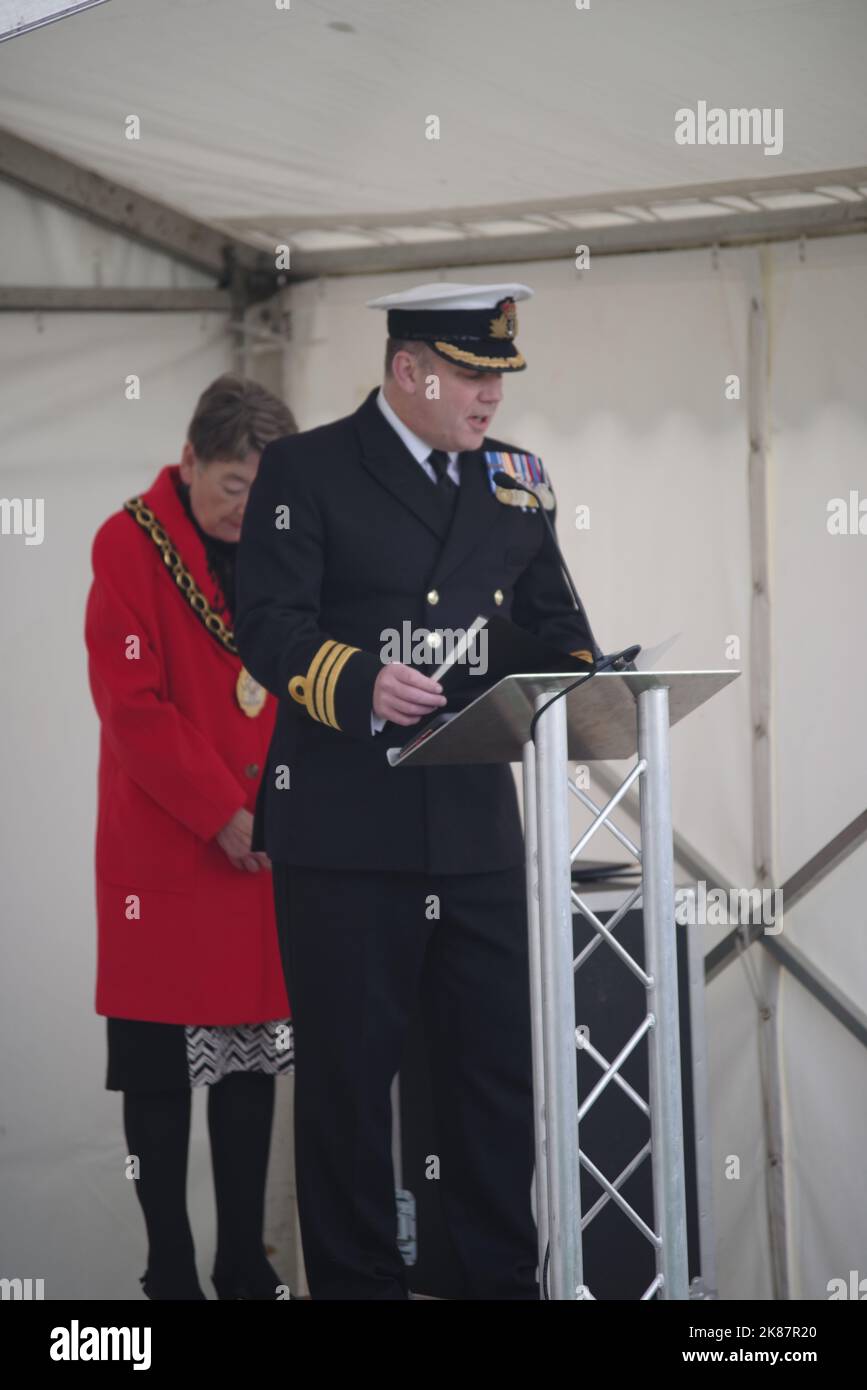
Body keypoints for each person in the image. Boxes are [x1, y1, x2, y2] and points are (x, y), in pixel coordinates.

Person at [234, 282, 597, 1300]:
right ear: (409, 370)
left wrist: (592, 671)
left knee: (488, 1081)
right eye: (474, 375)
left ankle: (491, 1284)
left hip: (475, 828)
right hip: (348, 832)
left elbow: (548, 621)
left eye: (499, 379)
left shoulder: (516, 481)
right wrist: (356, 680)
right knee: (352, 1091)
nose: (490, 398)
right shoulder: (305, 470)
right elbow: (263, 621)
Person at [85, 374, 298, 1300]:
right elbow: (130, 707)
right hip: (166, 849)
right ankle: (168, 1266)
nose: (249, 509)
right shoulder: (126, 545)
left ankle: (242, 1261)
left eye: (265, 489)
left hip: (264, 847)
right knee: (161, 1077)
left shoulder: (284, 547)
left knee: (249, 1066)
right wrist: (222, 812)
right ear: (188, 462)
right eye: (232, 488)